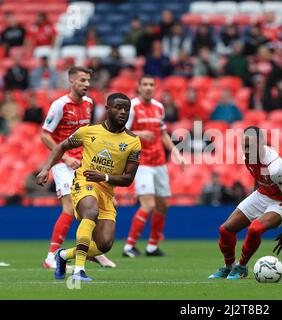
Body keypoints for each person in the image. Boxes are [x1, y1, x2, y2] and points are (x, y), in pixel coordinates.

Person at [36, 93, 142, 281]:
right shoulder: (88, 131)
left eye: (126, 109)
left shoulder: (133, 142)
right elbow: (61, 146)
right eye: (118, 107)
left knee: (104, 244)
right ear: (107, 109)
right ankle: (78, 271)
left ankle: (62, 255)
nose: (123, 112)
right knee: (90, 212)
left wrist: (105, 176)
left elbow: (128, 179)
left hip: (107, 191)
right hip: (84, 183)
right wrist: (46, 169)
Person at [40, 66, 115, 269]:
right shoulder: (59, 105)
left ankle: (92, 251)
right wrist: (64, 158)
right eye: (82, 80)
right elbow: (45, 135)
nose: (87, 85)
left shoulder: (90, 103)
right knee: (70, 208)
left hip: (84, 163)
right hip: (64, 164)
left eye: (88, 80)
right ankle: (50, 257)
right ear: (71, 81)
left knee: (94, 207)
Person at [208, 126, 282, 280]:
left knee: (254, 229)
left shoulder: (276, 166)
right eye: (244, 146)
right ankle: (229, 267)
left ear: (261, 144)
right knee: (225, 230)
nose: (246, 150)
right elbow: (258, 177)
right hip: (263, 194)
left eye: (250, 146)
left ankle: (241, 267)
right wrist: (253, 200)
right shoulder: (248, 158)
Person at [122, 75, 185, 258]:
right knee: (148, 204)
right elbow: (119, 132)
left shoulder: (159, 107)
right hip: (141, 163)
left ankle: (152, 246)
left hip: (159, 163)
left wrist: (175, 152)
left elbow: (163, 133)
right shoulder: (131, 107)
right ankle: (129, 246)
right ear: (139, 87)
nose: (148, 87)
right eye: (145, 84)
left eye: (151, 84)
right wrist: (140, 133)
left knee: (163, 205)